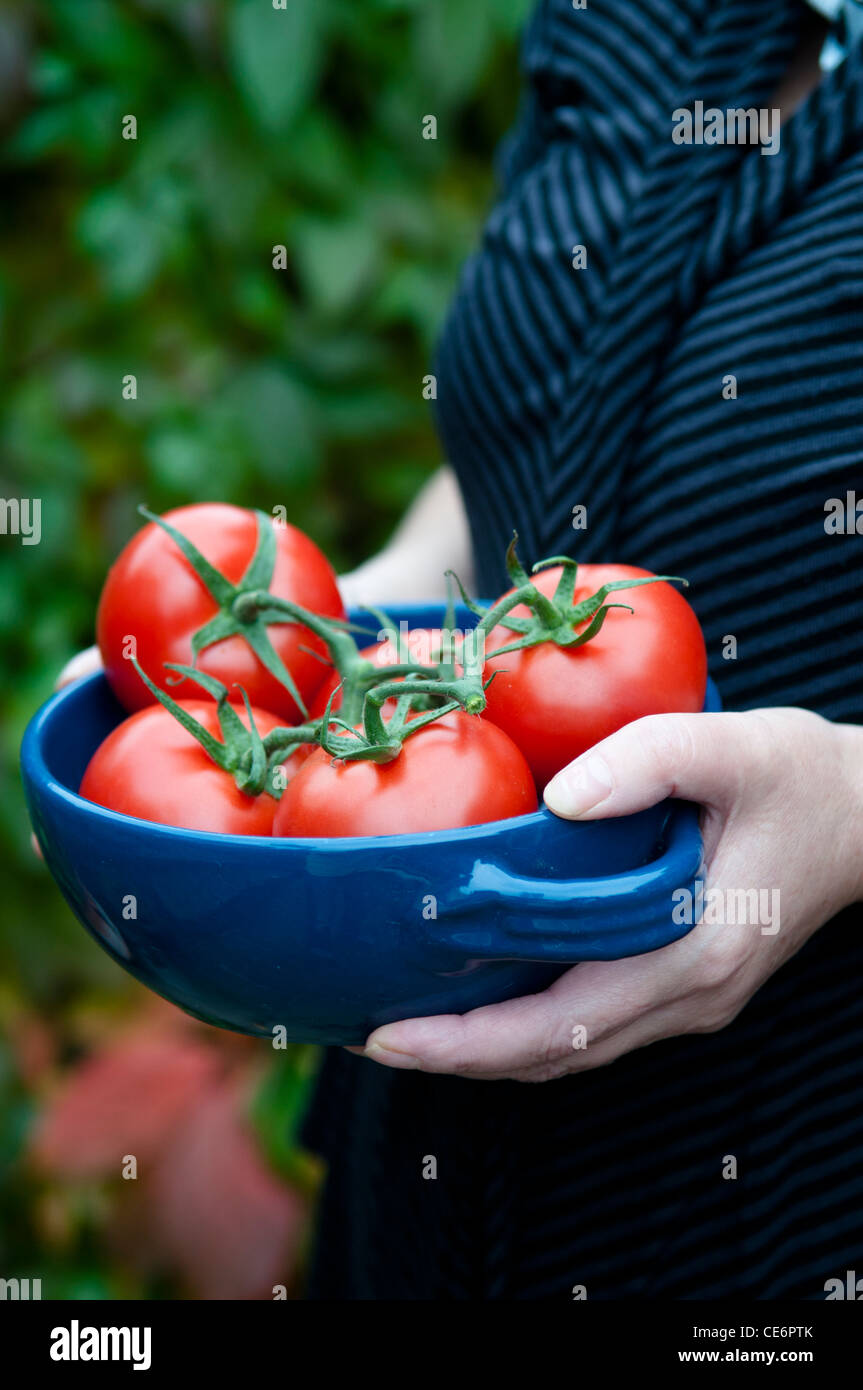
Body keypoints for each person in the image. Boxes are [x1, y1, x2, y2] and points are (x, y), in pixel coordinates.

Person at [61, 1, 863, 1299]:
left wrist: (851, 806)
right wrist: (327, 641)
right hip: (435, 1142)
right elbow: (522, 446)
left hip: (800, 1161)